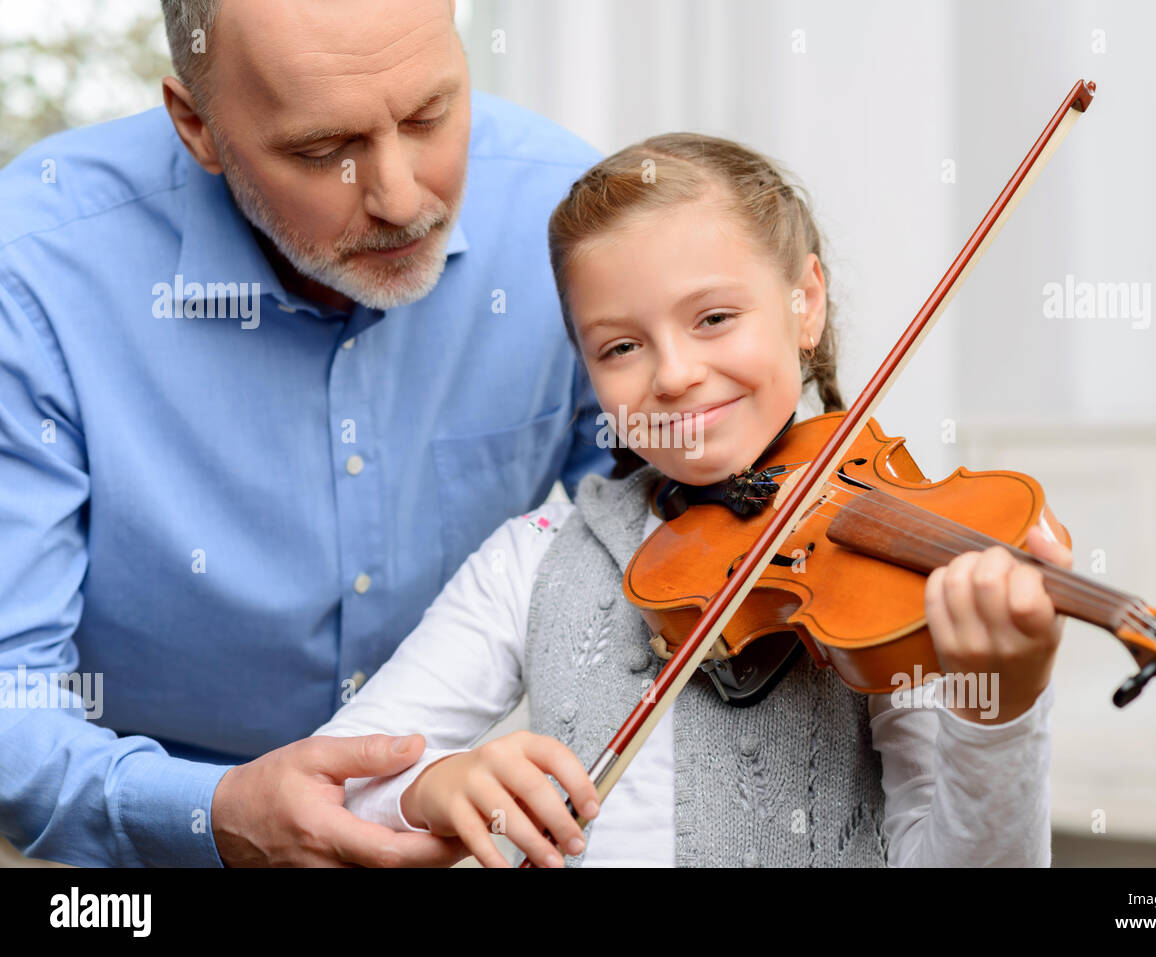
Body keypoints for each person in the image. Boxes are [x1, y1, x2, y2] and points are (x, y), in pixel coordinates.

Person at [315, 132, 1074, 867]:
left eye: (713, 318)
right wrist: (429, 786)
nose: (673, 374)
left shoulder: (891, 580)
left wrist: (998, 712)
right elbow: (335, 778)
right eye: (620, 346)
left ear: (804, 301)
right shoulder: (533, 557)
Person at [0, 0, 609, 867]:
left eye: (429, 116)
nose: (401, 198)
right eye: (325, 151)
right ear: (197, 126)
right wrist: (208, 812)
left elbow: (652, 542)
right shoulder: (31, 270)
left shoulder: (569, 218)